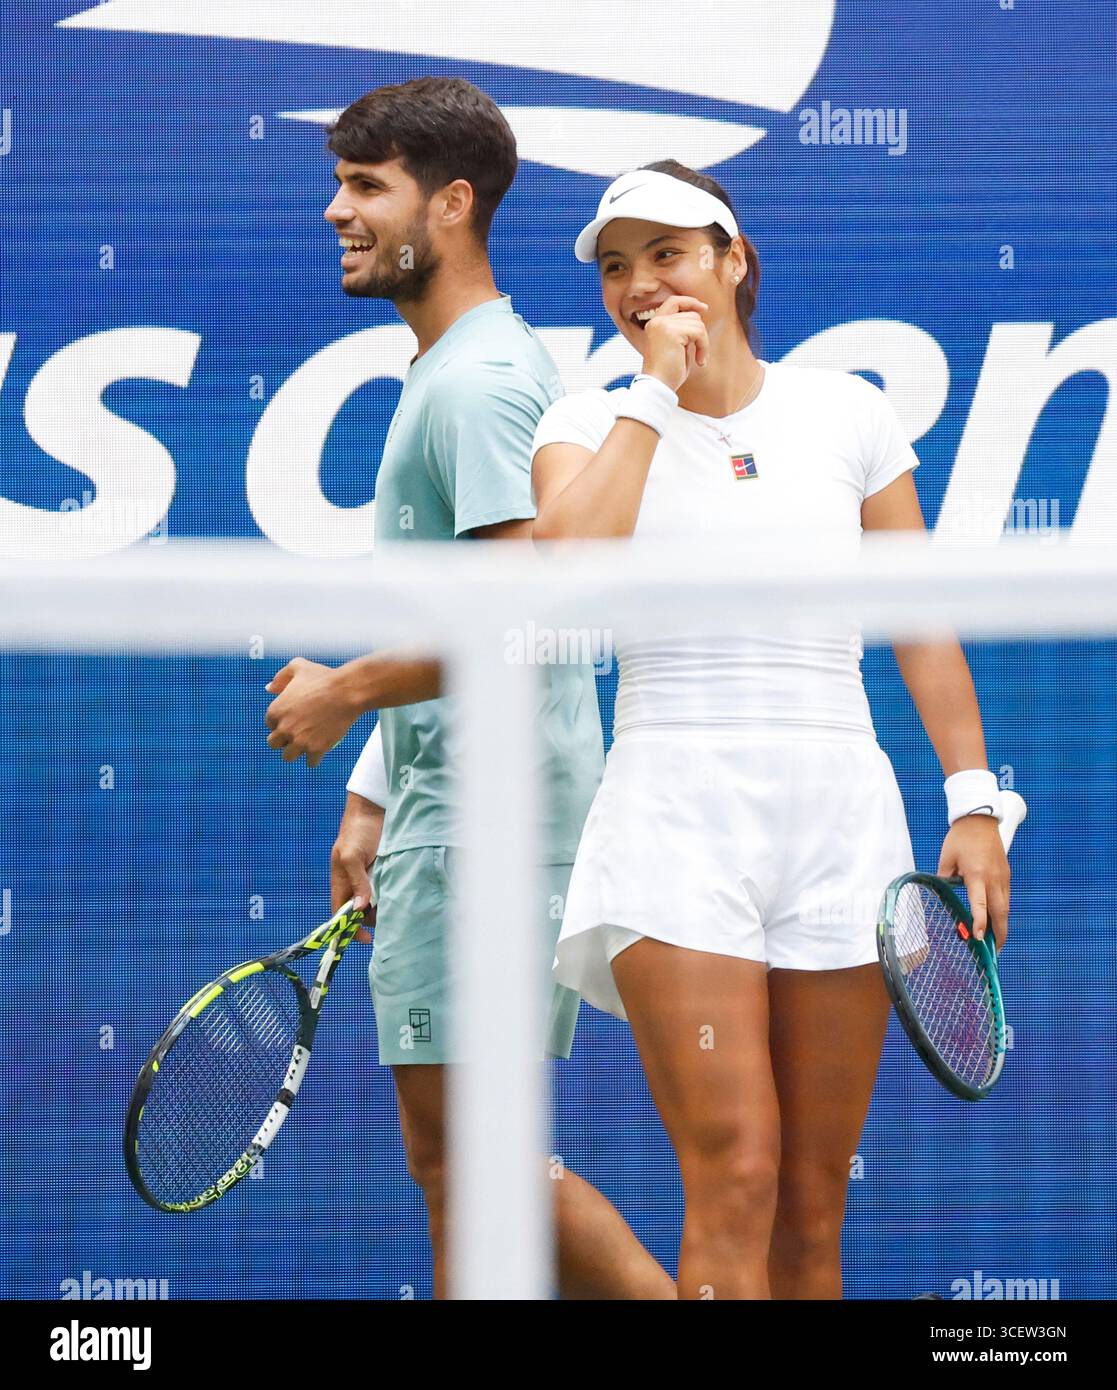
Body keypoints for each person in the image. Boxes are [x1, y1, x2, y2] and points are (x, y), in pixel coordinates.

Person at [530, 160, 1012, 1300]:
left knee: (809, 1205)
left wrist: (975, 800)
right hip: (671, 815)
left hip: (839, 815)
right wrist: (654, 391)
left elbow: (916, 616)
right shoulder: (584, 421)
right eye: (614, 266)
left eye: (667, 254)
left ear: (733, 260)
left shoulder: (846, 409)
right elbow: (567, 574)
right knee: (736, 1172)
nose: (639, 283)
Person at [262, 78, 673, 1300]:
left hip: (493, 833)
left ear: (449, 205)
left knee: (476, 1161)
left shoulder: (480, 384)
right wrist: (377, 786)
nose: (336, 210)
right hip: (456, 816)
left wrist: (345, 694)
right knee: (463, 1159)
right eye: (340, 181)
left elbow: (525, 614)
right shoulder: (465, 367)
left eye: (365, 185)